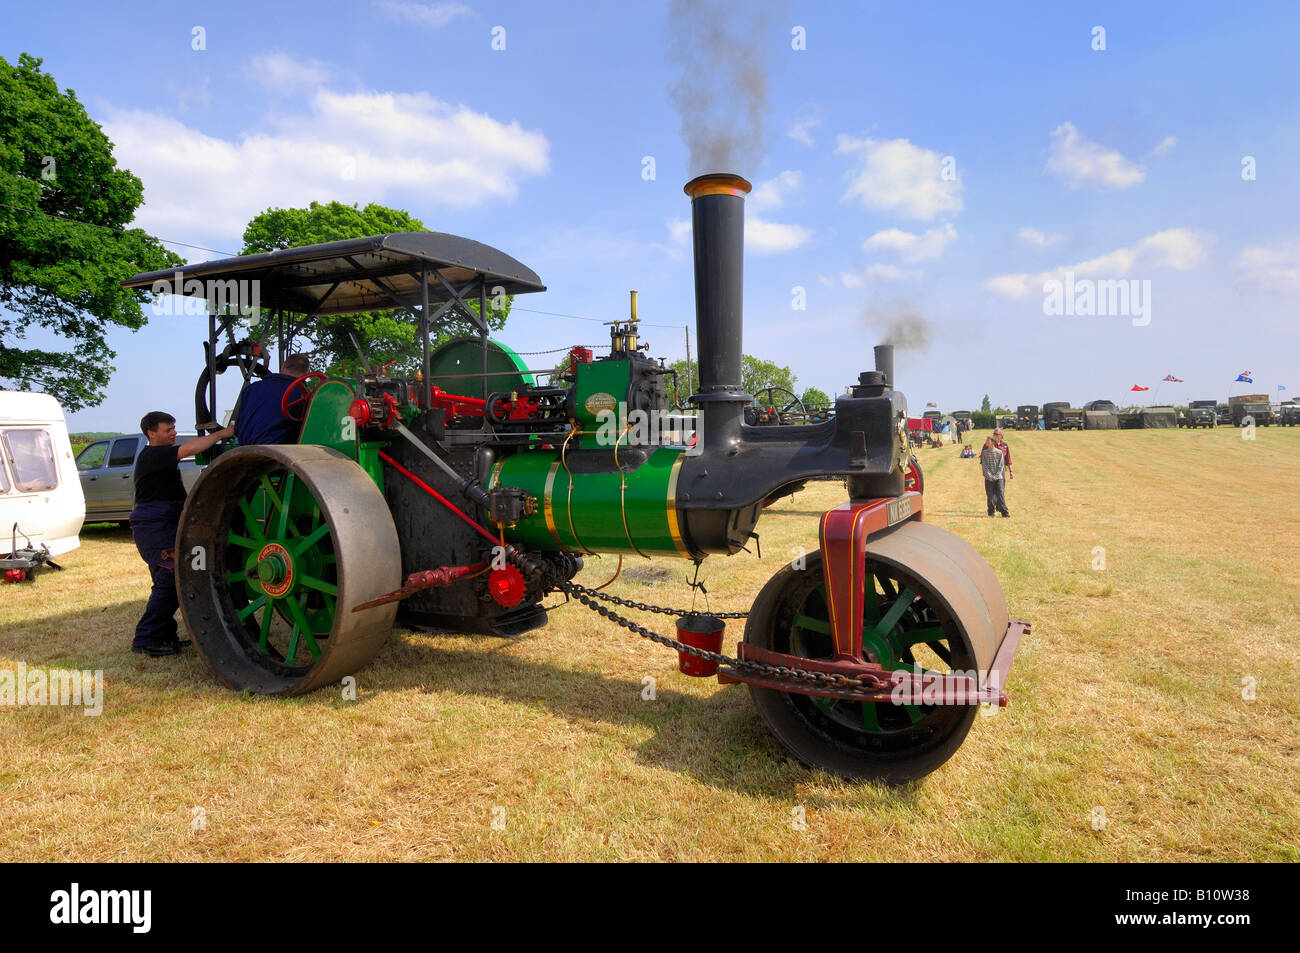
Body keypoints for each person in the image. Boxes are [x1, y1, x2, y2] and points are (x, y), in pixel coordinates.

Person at [130, 412, 234, 657]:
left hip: (164, 521)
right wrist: (221, 435)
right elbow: (187, 450)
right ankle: (145, 639)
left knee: (170, 582)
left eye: (174, 428)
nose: (173, 433)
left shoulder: (159, 456)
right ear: (151, 433)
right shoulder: (153, 455)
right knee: (168, 582)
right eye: (168, 430)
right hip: (155, 525)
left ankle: (164, 636)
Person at [234, 353, 312, 446]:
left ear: (283, 366)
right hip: (280, 452)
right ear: (307, 373)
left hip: (246, 450)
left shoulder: (251, 388)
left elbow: (238, 427)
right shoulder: (304, 396)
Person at [980, 436, 1010, 517]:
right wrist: (989, 476)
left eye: (987, 441)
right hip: (988, 478)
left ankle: (1004, 512)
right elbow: (984, 465)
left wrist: (996, 476)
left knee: (1000, 494)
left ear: (993, 442)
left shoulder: (999, 452)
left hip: (998, 478)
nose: (986, 442)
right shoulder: (985, 452)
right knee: (990, 496)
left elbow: (1001, 466)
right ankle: (991, 512)